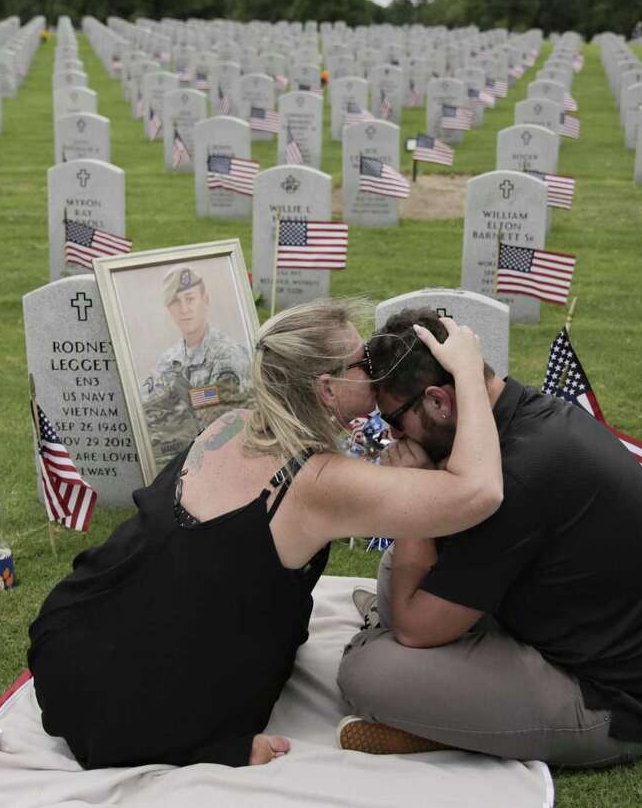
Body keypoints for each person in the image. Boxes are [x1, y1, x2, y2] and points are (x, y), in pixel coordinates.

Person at [28, 299, 503, 769]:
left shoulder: (230, 422)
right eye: (362, 363)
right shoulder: (320, 483)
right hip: (136, 711)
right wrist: (467, 376)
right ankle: (198, 745)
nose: (375, 368)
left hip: (72, 640)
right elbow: (478, 493)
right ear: (327, 388)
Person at [337, 308, 642, 767]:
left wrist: (413, 498)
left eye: (395, 421)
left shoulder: (521, 475)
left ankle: (456, 728)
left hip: (616, 705)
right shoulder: (515, 417)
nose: (390, 436)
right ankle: (463, 714)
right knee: (398, 574)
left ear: (440, 401)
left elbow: (415, 630)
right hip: (572, 636)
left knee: (366, 669)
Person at [140, 266, 252, 466]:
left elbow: (225, 396)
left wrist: (186, 396)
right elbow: (146, 408)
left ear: (205, 301)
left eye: (190, 299)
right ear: (169, 309)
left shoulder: (228, 354)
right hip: (175, 458)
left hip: (223, 457)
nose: (184, 309)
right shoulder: (167, 359)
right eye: (176, 302)